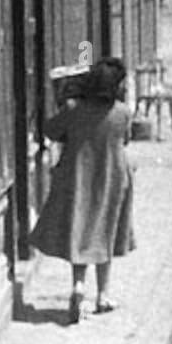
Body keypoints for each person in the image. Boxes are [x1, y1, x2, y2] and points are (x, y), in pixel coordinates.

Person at [28, 58, 136, 324]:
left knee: (81, 230)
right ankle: (103, 295)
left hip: (77, 177)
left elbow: (52, 131)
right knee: (105, 232)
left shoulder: (74, 109)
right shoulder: (122, 112)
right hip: (112, 177)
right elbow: (126, 139)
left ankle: (78, 286)